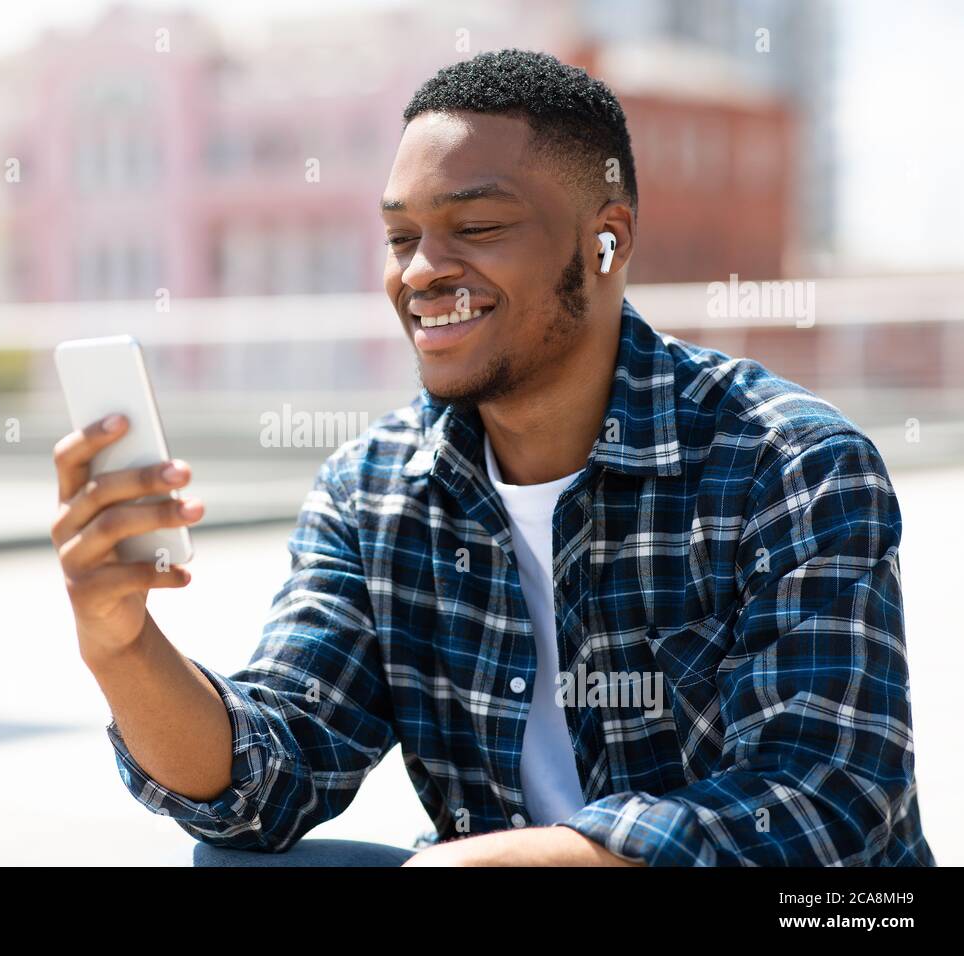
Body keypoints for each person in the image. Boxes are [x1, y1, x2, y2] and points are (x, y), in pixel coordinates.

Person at [50, 49, 933, 866]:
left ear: (607, 241)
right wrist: (121, 644)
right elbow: (268, 778)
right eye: (401, 239)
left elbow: (825, 801)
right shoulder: (373, 490)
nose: (422, 271)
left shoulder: (790, 463)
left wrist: (530, 859)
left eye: (475, 225)